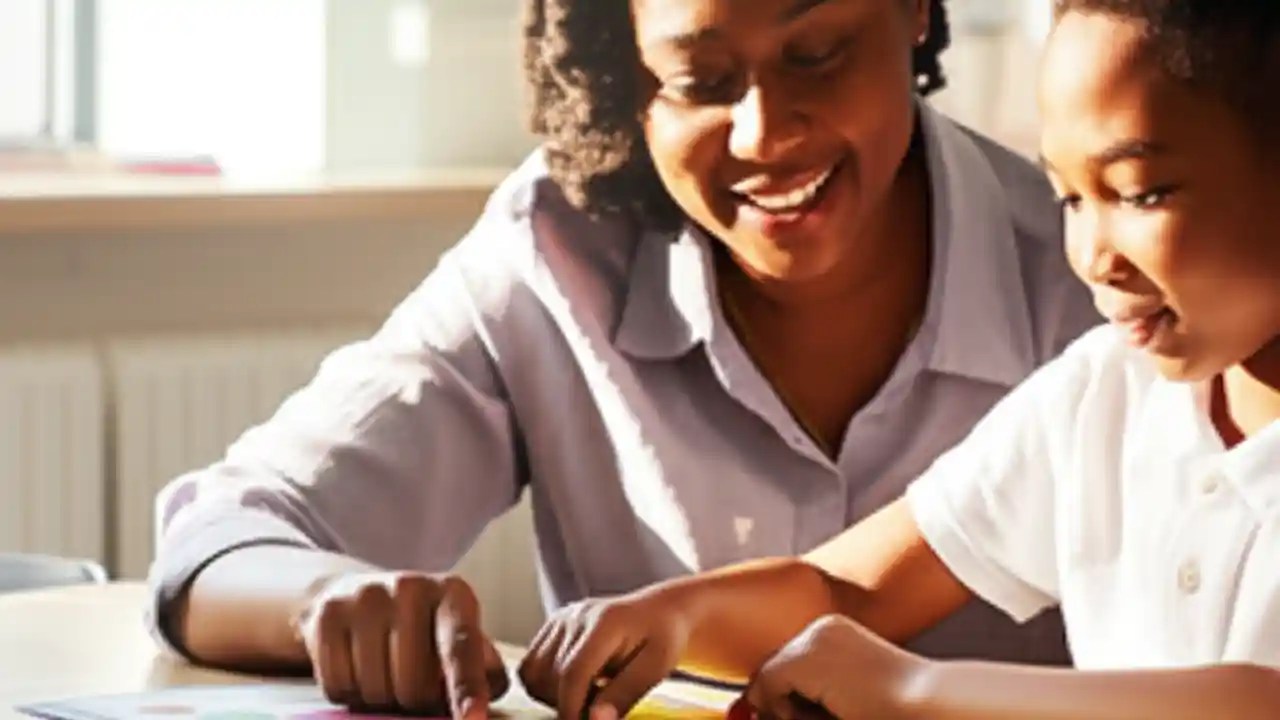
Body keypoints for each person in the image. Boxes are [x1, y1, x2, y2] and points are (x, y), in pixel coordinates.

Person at [148, 0, 1096, 716]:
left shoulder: (1099, 279)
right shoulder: (557, 253)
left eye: (819, 54)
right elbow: (218, 542)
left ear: (914, 11)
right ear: (627, 78)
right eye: (698, 80)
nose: (766, 132)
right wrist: (330, 598)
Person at [516, 1, 1280, 718]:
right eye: (1070, 199)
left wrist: (921, 692)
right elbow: (850, 590)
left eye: (1141, 194)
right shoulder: (1102, 395)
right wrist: (674, 617)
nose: (1091, 257)